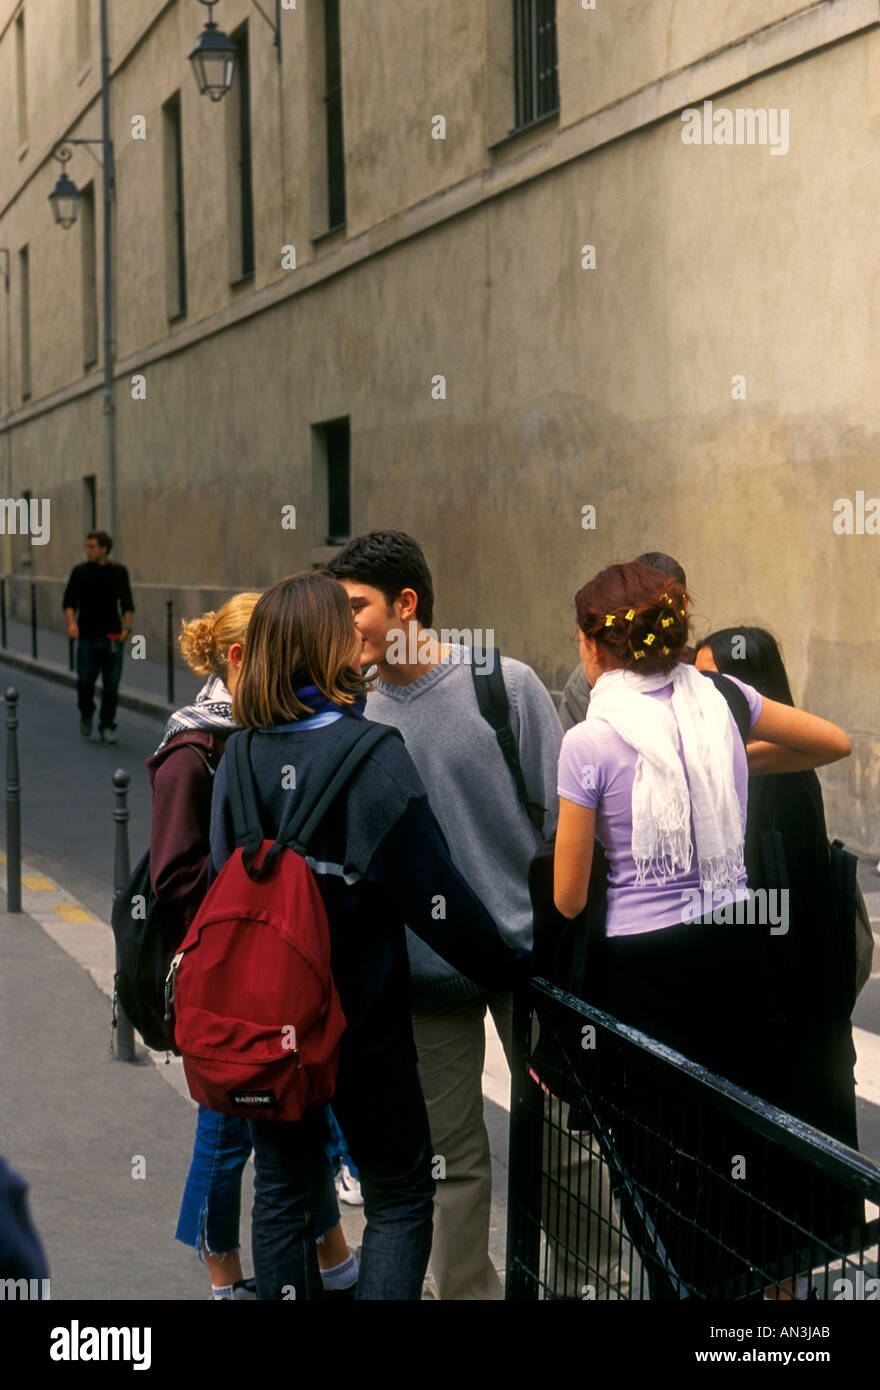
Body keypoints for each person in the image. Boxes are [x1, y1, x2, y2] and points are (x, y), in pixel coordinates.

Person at [209, 571, 532, 1301]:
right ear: (324, 647)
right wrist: (514, 966)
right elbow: (436, 897)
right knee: (399, 1193)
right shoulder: (371, 756)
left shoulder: (238, 758)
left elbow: (221, 879)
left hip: (269, 1022)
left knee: (286, 1192)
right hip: (362, 1021)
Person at [553, 562, 852, 1298]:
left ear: (597, 647)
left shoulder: (590, 741)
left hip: (643, 980)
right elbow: (833, 743)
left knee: (659, 1169)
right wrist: (727, 762)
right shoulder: (721, 697)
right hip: (734, 955)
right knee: (734, 1151)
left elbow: (567, 897)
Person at [328, 530, 562, 1300]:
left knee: (564, 1146)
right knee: (452, 1164)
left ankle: (589, 1286)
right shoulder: (353, 714)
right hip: (423, 979)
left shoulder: (506, 686)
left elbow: (567, 828)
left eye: (355, 606)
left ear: (405, 604)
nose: (343, 622)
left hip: (525, 964)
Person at [149, 594, 357, 1300]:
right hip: (222, 975)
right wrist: (254, 886)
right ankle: (221, 1272)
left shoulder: (261, 734)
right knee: (226, 1132)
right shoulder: (196, 747)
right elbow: (174, 874)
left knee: (288, 1108)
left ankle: (329, 1253)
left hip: (267, 968)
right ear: (241, 659)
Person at [693, 627, 859, 1150]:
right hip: (792, 1015)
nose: (701, 696)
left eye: (711, 683)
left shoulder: (775, 774)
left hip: (787, 1019)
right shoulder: (765, 765)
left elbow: (776, 906)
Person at [557, 552, 689, 731]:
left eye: (661, 608)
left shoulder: (701, 674)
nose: (653, 618)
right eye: (646, 608)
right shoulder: (586, 680)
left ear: (684, 603)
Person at [63, 531, 134, 744]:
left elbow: (127, 603)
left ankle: (107, 726)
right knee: (85, 681)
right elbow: (68, 602)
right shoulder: (80, 571)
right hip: (86, 636)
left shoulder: (119, 572)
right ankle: (86, 711)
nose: (87, 550)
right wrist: (71, 624)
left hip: (112, 638)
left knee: (111, 686)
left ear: (104, 549)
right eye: (86, 546)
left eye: (91, 547)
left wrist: (127, 630)